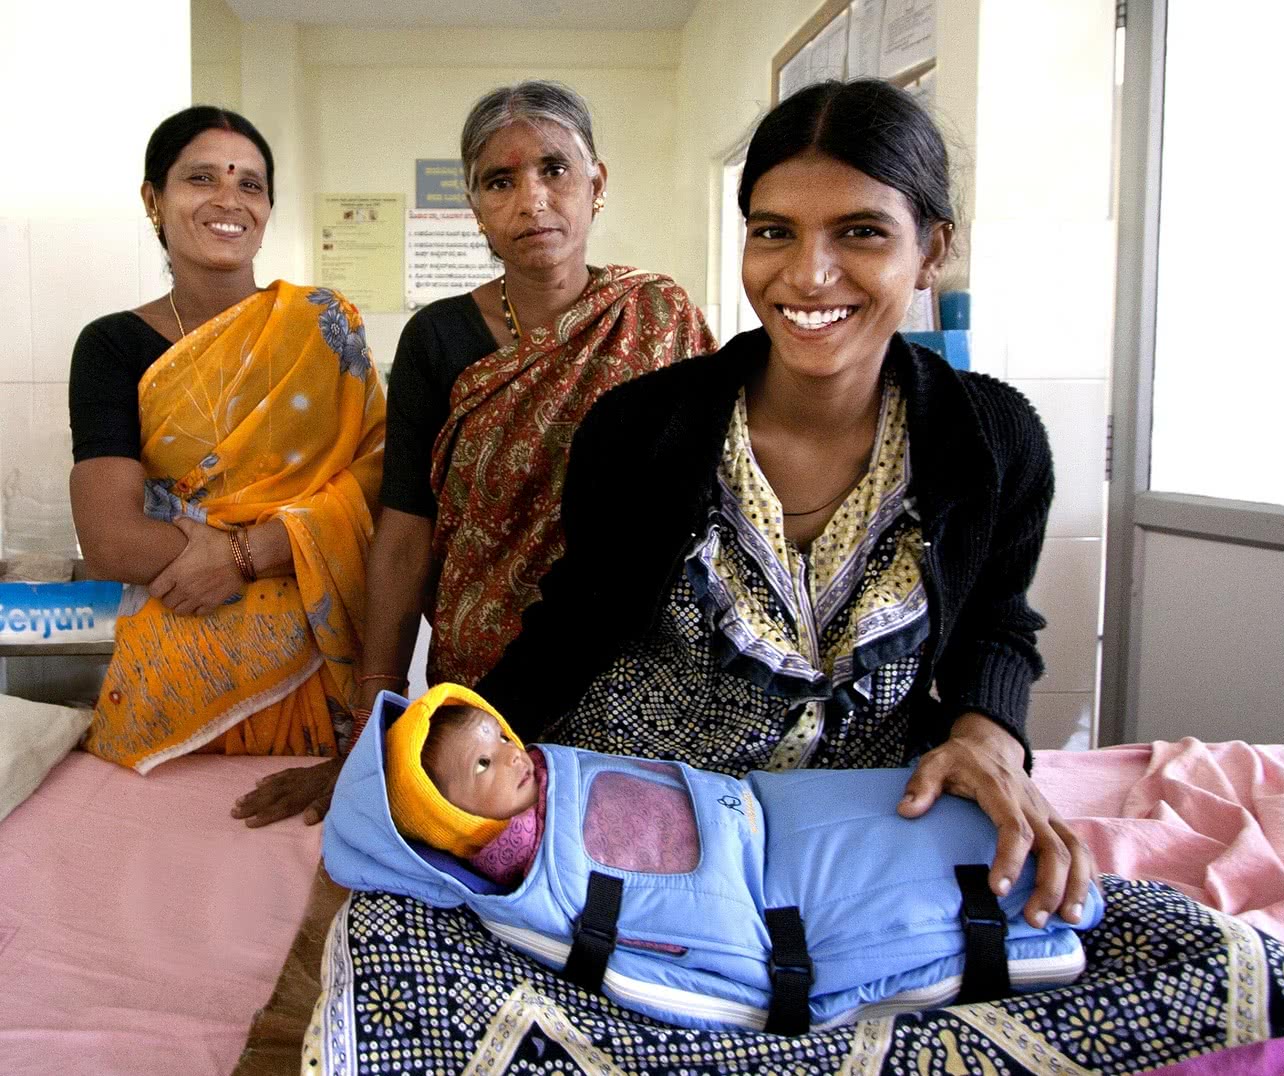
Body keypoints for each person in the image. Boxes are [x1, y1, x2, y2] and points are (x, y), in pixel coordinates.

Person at [472, 79, 1095, 932]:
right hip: (635, 819)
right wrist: (448, 744)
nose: (807, 274)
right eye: (774, 232)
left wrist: (988, 734)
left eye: (861, 232)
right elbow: (572, 625)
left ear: (932, 248)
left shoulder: (992, 439)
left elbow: (996, 621)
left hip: (862, 826)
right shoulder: (639, 428)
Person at [235, 80, 714, 826]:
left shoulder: (656, 318)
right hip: (481, 699)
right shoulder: (437, 338)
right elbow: (406, 530)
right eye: (500, 181)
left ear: (597, 184)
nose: (532, 201)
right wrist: (374, 724)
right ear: (475, 207)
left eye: (554, 169)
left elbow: (711, 510)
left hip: (637, 678)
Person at [324, 682, 1103, 1032]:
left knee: (916, 821)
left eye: (498, 734)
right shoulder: (512, 858)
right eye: (482, 767)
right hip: (756, 900)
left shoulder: (551, 772)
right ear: (452, 819)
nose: (510, 754)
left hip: (759, 811)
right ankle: (1001, 925)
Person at [68, 106, 385, 772]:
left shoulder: (324, 329)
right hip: (179, 659)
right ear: (154, 199)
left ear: (267, 209)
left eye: (250, 184)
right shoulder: (111, 346)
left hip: (320, 663)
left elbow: (381, 488)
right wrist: (261, 553)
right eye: (201, 177)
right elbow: (110, 541)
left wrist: (244, 554)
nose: (229, 199)